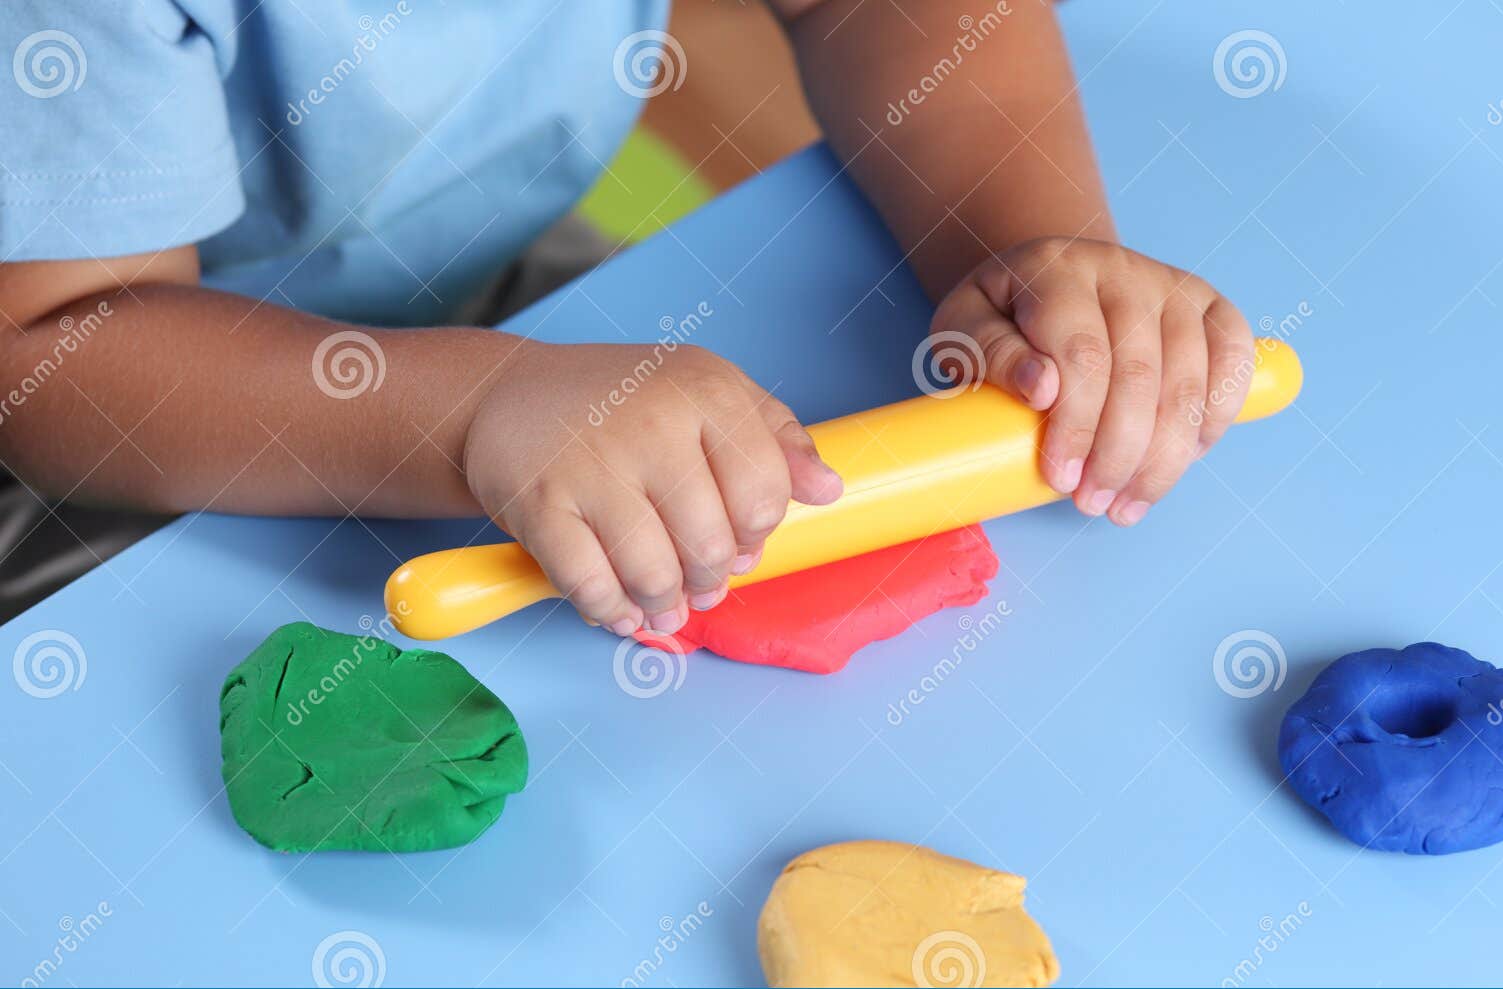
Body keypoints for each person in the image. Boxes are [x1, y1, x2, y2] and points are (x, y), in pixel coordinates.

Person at [0, 0, 1254, 635]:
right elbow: (50, 355)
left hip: (484, 279)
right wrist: (474, 406)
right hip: (107, 404)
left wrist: (1036, 262)